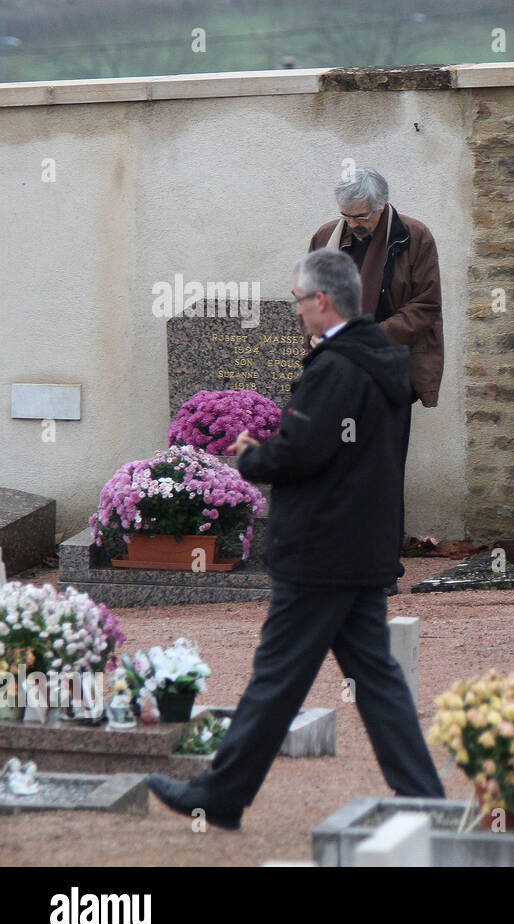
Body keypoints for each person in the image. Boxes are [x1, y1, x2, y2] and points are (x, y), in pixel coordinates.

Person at [147, 250, 444, 829]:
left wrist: (252, 456)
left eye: (299, 300)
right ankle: (427, 802)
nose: (298, 311)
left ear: (322, 302)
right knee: (377, 682)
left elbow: (304, 452)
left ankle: (220, 795)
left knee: (277, 678)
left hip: (320, 551)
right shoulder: (379, 357)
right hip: (358, 548)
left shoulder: (337, 366)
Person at [309, 167, 444, 408]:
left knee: (382, 444)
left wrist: (369, 337)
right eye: (345, 215)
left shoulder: (415, 237)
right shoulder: (326, 237)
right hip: (334, 367)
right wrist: (315, 336)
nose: (351, 224)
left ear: (381, 206)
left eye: (360, 217)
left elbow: (426, 305)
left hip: (391, 369)